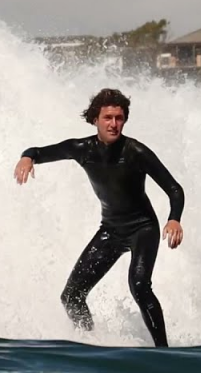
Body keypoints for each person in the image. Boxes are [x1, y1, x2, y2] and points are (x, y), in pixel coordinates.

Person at [13, 88, 185, 347]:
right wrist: (27, 158)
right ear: (95, 118)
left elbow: (175, 189)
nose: (114, 124)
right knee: (71, 296)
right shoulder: (82, 149)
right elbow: (37, 150)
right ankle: (91, 343)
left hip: (142, 228)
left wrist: (174, 219)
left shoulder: (136, 151)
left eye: (119, 118)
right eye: (108, 117)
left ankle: (164, 351)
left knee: (139, 286)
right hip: (111, 231)